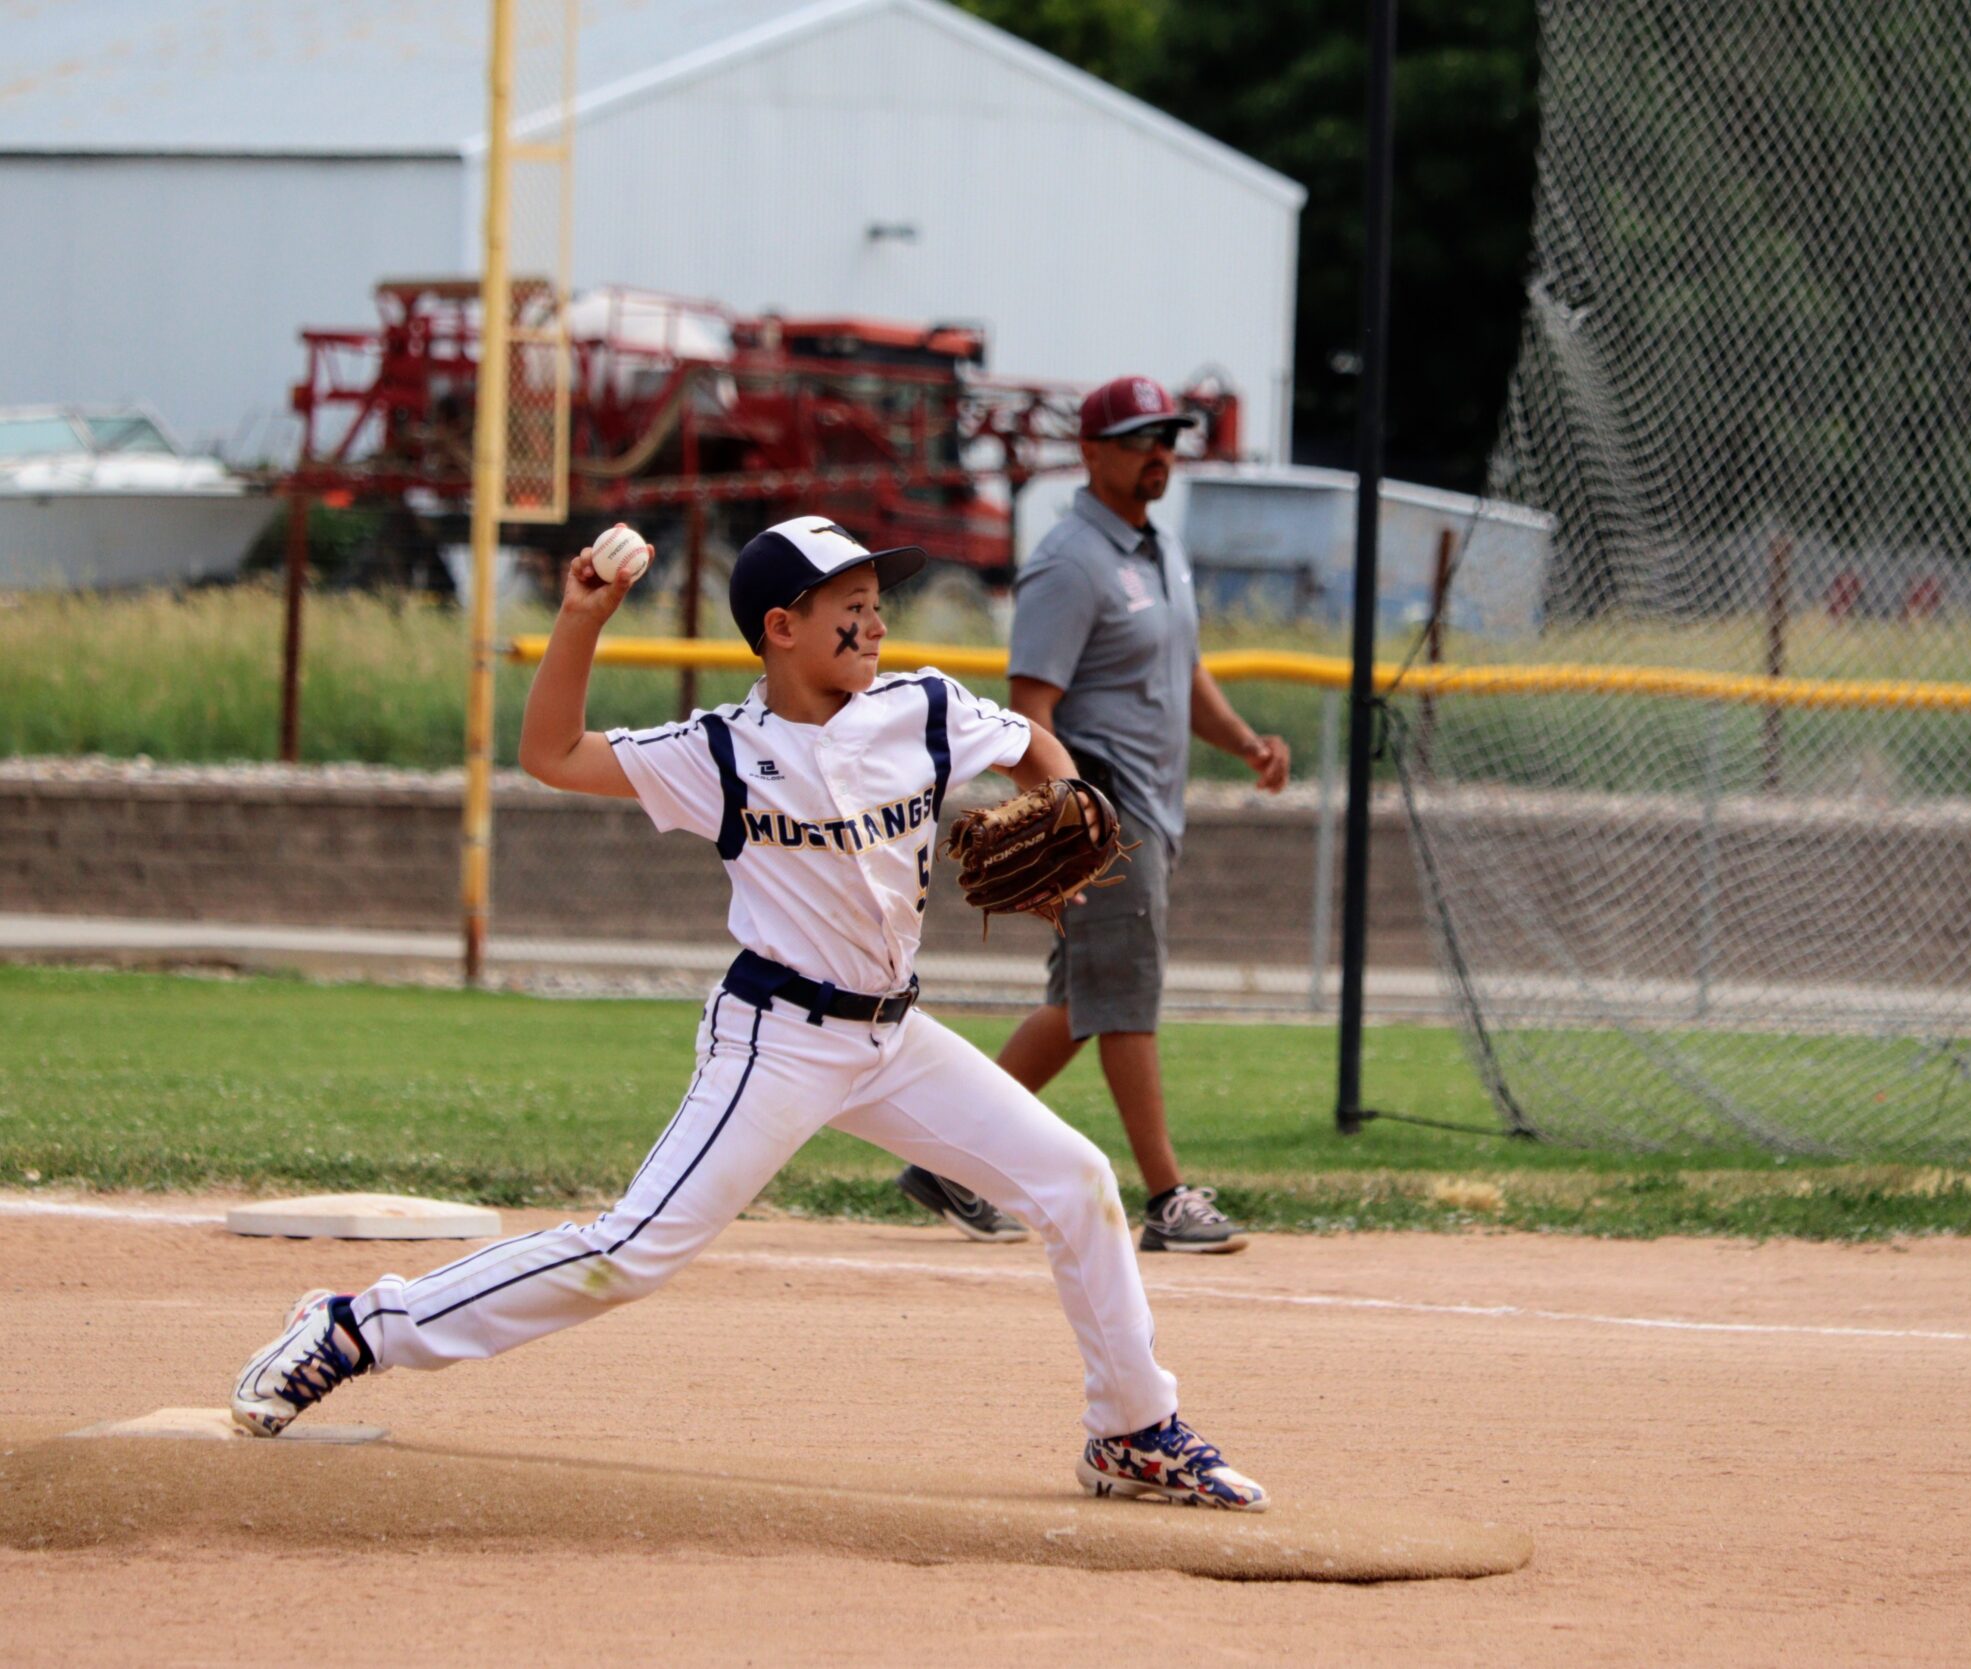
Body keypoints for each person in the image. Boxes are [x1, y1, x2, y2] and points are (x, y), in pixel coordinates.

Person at [228, 514, 1267, 1511]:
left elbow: (1031, 739)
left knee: (1074, 1178)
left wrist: (1064, 797)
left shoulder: (924, 709)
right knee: (624, 1254)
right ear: (781, 627)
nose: (874, 623)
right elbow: (551, 754)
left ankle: (1132, 1429)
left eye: (876, 603)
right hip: (775, 1037)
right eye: (850, 606)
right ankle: (357, 1326)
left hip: (891, 1037)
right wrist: (583, 619)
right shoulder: (719, 753)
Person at [898, 376, 1290, 1254]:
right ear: (1092, 450)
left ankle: (948, 1159)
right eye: (1140, 436)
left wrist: (1247, 745)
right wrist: (1054, 820)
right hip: (1105, 810)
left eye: (1168, 437)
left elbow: (1184, 674)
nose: (1160, 451)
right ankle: (1169, 1197)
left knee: (1083, 1002)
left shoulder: (1157, 550)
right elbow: (1029, 707)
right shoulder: (1070, 561)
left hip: (1151, 803)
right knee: (1123, 1002)